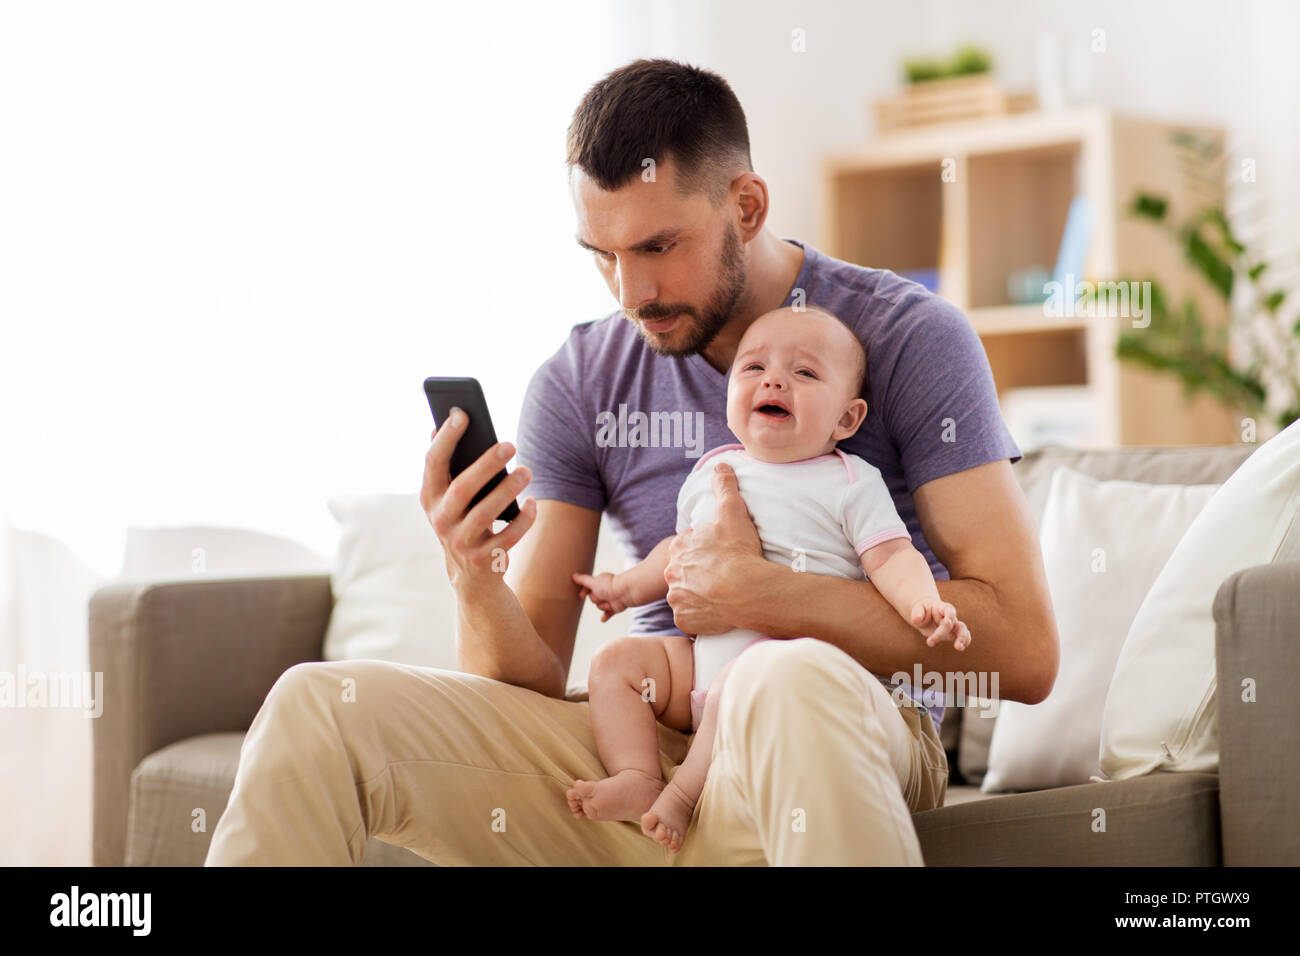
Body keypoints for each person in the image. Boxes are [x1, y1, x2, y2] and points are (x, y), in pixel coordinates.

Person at [205, 58, 1057, 867]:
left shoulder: (905, 337)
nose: (630, 292)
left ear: (748, 207)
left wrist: (767, 596)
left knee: (784, 676)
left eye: (657, 246)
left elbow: (1022, 651)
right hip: (647, 745)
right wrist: (473, 575)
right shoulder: (581, 379)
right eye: (601, 255)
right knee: (317, 706)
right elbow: (528, 673)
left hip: (837, 730)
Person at [566, 304, 972, 853]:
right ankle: (638, 776)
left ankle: (683, 797)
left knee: (753, 674)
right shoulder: (713, 471)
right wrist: (626, 586)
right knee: (614, 663)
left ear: (847, 420)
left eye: (804, 373)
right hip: (696, 676)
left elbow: (892, 556)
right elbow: (680, 551)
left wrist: (923, 604)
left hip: (784, 676)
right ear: (730, 397)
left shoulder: (849, 480)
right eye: (753, 369)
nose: (774, 379)